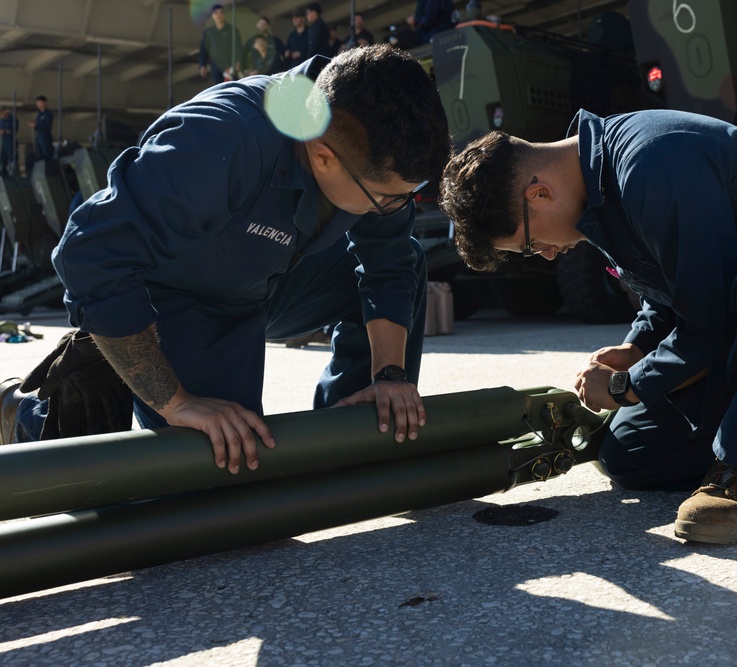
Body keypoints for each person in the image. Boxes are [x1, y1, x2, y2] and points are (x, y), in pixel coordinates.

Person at [438, 109, 737, 545]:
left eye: (528, 246)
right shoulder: (598, 192)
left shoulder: (651, 161)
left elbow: (707, 325)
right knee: (631, 453)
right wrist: (635, 347)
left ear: (539, 192)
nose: (544, 255)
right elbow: (667, 297)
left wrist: (627, 385)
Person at [2, 46, 452, 477]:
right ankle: (21, 415)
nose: (397, 207)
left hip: (273, 279)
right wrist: (176, 402)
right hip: (182, 298)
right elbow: (89, 254)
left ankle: (346, 438)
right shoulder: (223, 137)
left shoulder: (367, 139)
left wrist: (390, 373)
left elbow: (389, 260)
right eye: (389, 198)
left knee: (409, 259)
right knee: (219, 472)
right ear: (323, 157)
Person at [198, 3, 243, 85]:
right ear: (212, 15)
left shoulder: (231, 30)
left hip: (230, 64)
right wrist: (202, 65)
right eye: (216, 13)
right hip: (216, 65)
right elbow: (204, 49)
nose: (219, 15)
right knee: (218, 88)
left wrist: (238, 61)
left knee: (232, 87)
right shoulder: (209, 32)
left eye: (221, 12)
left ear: (224, 14)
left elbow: (238, 46)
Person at [27, 96, 53, 162]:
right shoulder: (39, 114)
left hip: (45, 137)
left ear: (44, 103)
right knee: (39, 156)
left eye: (40, 103)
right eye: (37, 103)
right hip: (39, 137)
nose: (38, 105)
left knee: (46, 155)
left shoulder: (48, 114)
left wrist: (36, 126)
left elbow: (47, 125)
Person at [0, 106, 17, 176]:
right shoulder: (1, 121)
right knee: (3, 157)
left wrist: (3, 131)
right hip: (3, 141)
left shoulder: (12, 120)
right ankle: (3, 172)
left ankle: (11, 172)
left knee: (11, 156)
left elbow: (12, 131)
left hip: (11, 141)